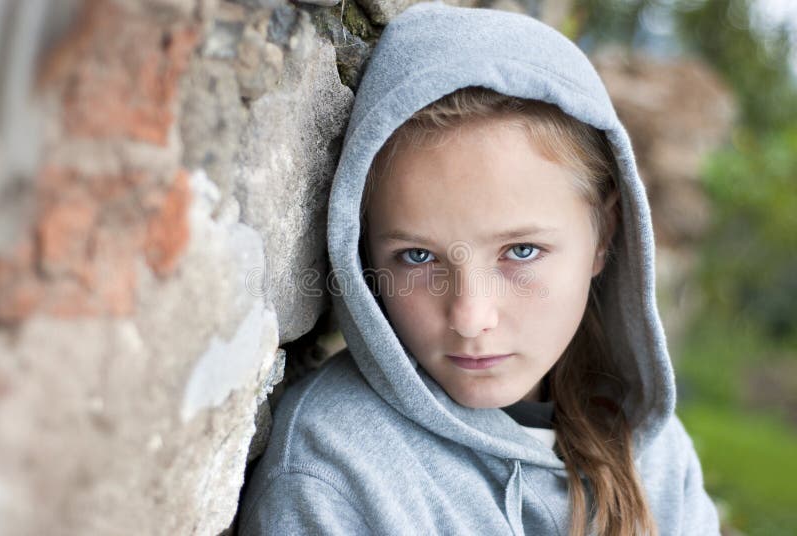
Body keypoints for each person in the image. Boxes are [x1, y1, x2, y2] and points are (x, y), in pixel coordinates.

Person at [238, 2, 721, 534]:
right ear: (363, 254)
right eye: (418, 256)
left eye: (521, 251)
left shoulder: (653, 454)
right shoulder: (334, 471)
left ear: (604, 235)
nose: (470, 317)